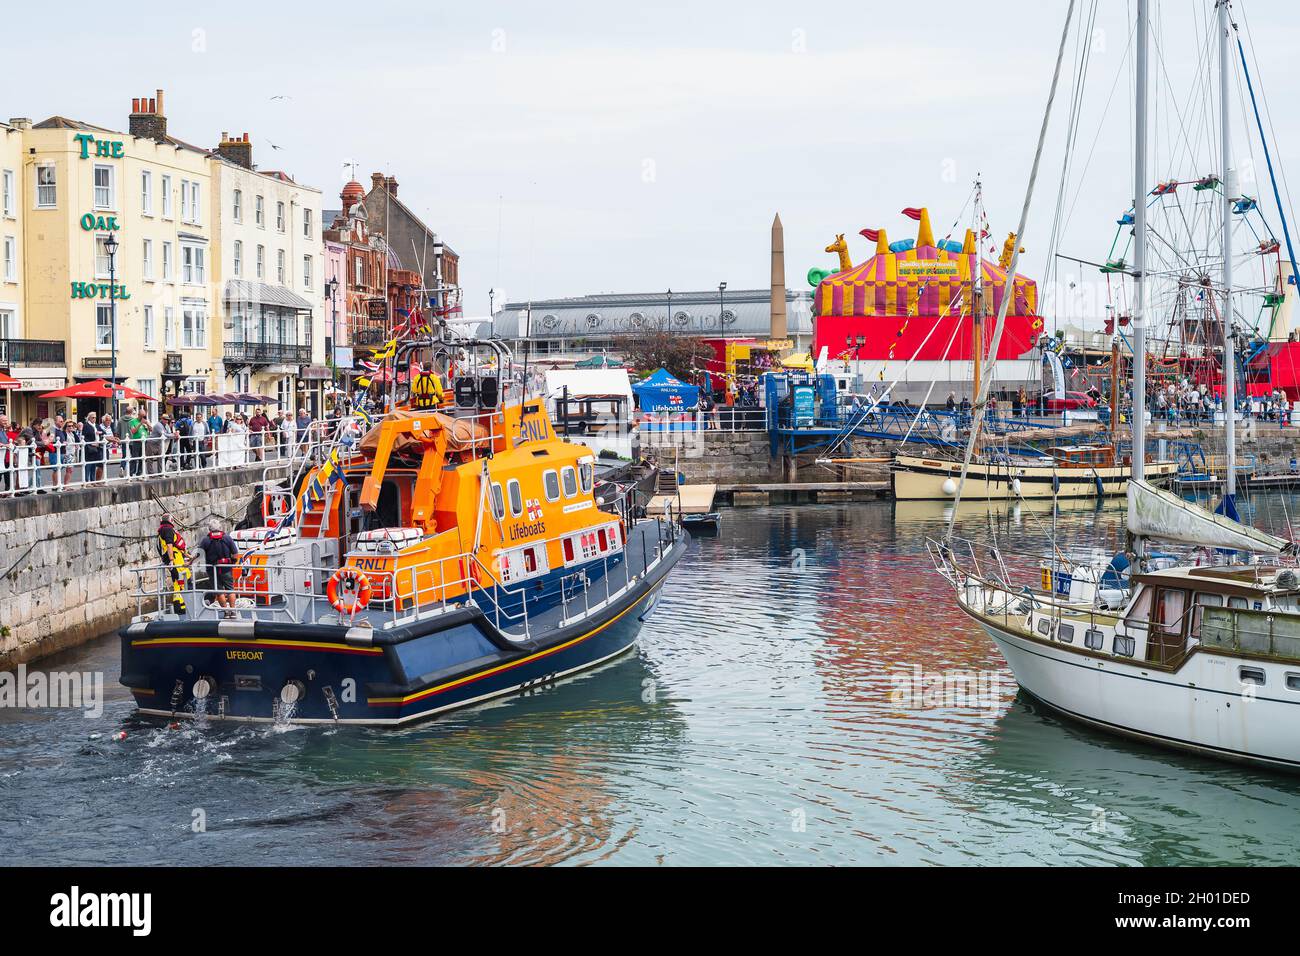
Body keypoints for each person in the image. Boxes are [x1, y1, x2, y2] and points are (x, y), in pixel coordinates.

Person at [199, 519, 240, 618]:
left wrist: (189, 562)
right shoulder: (227, 538)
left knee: (219, 591)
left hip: (213, 570)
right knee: (230, 589)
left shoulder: (206, 540)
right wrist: (232, 562)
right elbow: (235, 554)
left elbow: (198, 553)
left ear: (209, 529)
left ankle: (226, 612)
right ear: (220, 527)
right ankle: (233, 611)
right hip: (226, 568)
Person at [156, 512, 190, 615]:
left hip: (176, 558)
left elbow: (175, 546)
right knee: (185, 577)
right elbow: (170, 545)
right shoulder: (168, 530)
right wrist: (171, 560)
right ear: (171, 521)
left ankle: (179, 606)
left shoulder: (163, 530)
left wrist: (189, 556)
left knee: (177, 582)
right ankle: (183, 606)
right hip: (175, 559)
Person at [81, 411, 103, 482]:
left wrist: (100, 432)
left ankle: (93, 481)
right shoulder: (86, 425)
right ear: (89, 418)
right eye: (93, 417)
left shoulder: (96, 425)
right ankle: (87, 481)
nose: (94, 419)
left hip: (96, 448)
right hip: (89, 448)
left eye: (95, 418)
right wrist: (91, 443)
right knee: (88, 465)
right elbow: (83, 437)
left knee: (94, 464)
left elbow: (103, 432)